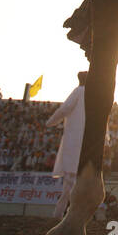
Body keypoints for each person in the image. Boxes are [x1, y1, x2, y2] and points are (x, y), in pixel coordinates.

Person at [47, 71, 88, 218]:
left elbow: (64, 109)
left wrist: (50, 122)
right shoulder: (92, 94)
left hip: (74, 139)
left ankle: (61, 212)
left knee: (70, 179)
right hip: (86, 139)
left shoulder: (79, 91)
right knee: (77, 179)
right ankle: (66, 212)